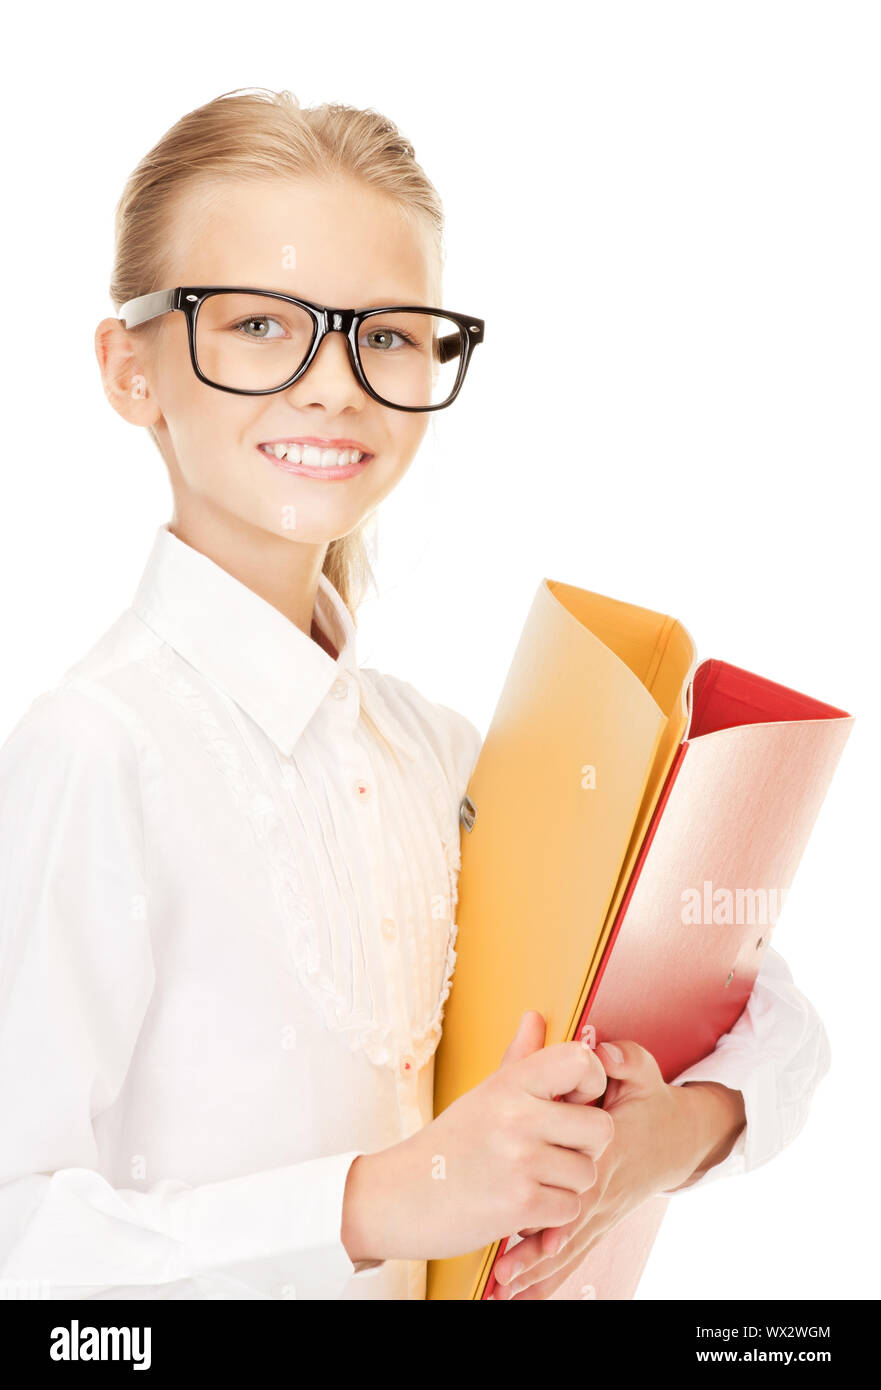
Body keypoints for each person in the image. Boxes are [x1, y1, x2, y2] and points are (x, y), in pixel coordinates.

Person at [0, 88, 829, 1301]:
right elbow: (21, 1244)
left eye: (385, 334)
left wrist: (657, 1140)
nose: (334, 383)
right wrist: (395, 1194)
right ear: (130, 368)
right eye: (259, 324)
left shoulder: (438, 757)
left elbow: (767, 1011)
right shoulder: (96, 749)